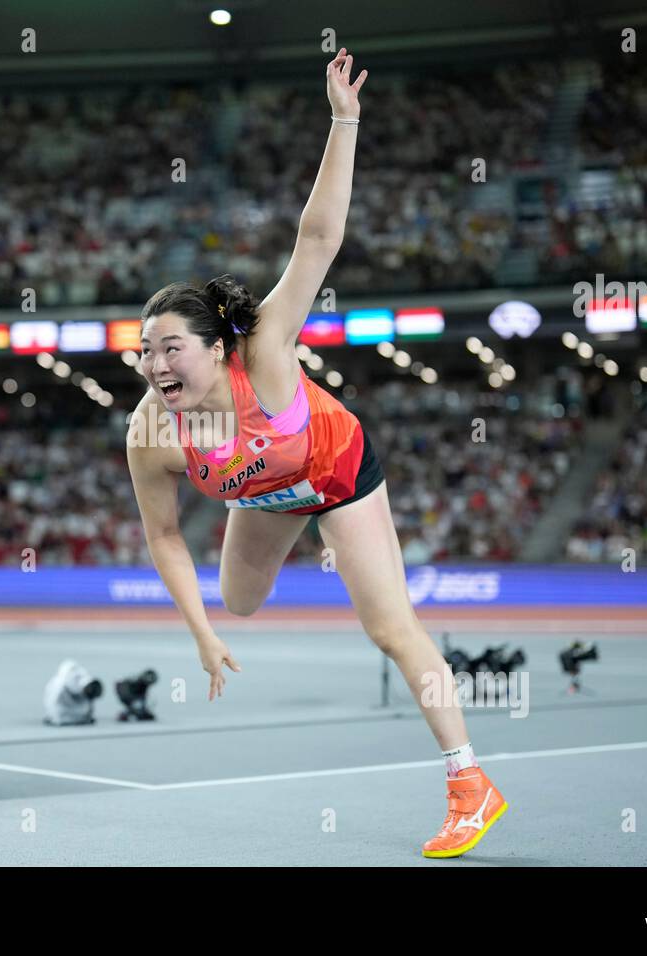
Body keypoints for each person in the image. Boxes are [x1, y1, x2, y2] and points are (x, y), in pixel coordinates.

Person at [125, 49, 507, 859]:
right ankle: (274, 527)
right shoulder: (150, 432)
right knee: (238, 605)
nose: (157, 366)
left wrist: (343, 120)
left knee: (389, 626)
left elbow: (319, 236)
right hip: (262, 493)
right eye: (144, 352)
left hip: (335, 474)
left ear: (212, 345)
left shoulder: (260, 348)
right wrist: (199, 635)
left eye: (171, 349)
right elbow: (162, 535)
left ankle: (470, 782)